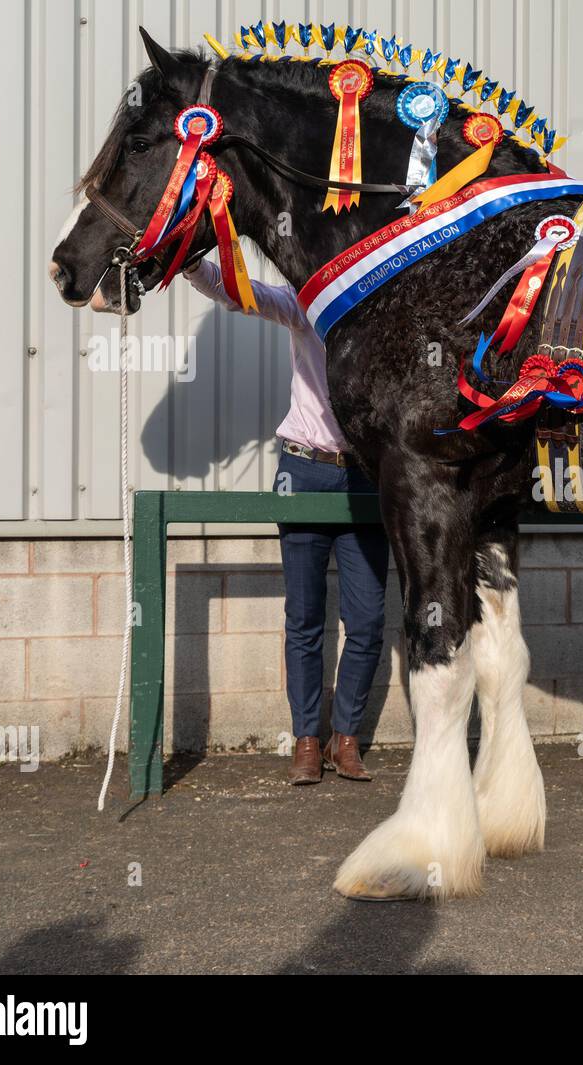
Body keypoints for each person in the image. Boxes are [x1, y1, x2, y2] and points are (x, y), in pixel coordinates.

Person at [185, 258, 390, 785]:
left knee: (366, 620)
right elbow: (241, 294)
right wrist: (189, 263)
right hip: (303, 469)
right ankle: (305, 741)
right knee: (304, 617)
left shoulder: (387, 306)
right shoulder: (308, 301)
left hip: (368, 475)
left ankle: (345, 740)